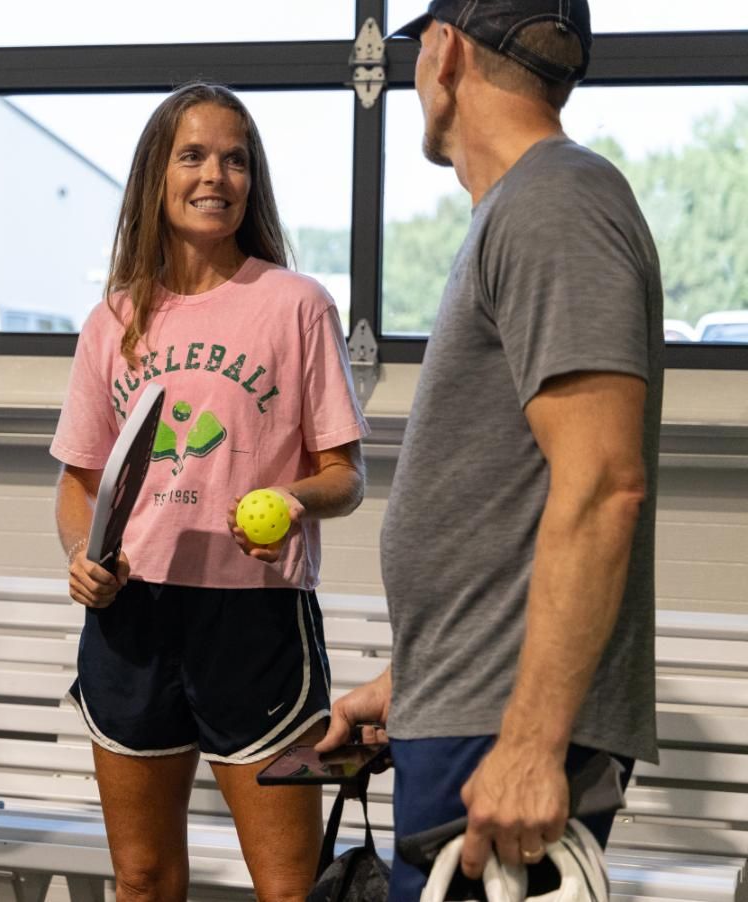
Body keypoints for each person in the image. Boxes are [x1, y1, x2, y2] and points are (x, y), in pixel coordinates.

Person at [315, 1, 665, 898]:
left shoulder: (556, 203)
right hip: (466, 709)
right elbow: (509, 504)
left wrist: (533, 744)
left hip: (502, 740)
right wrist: (414, 680)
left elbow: (603, 486)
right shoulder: (530, 205)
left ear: (446, 52)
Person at [51, 82, 369, 900]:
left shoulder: (297, 305)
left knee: (288, 887)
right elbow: (79, 485)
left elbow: (346, 477)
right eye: (192, 156)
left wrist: (294, 501)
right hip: (130, 620)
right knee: (142, 878)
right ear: (156, 176)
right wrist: (83, 557)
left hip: (255, 621)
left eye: (235, 160)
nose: (215, 176)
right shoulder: (113, 318)